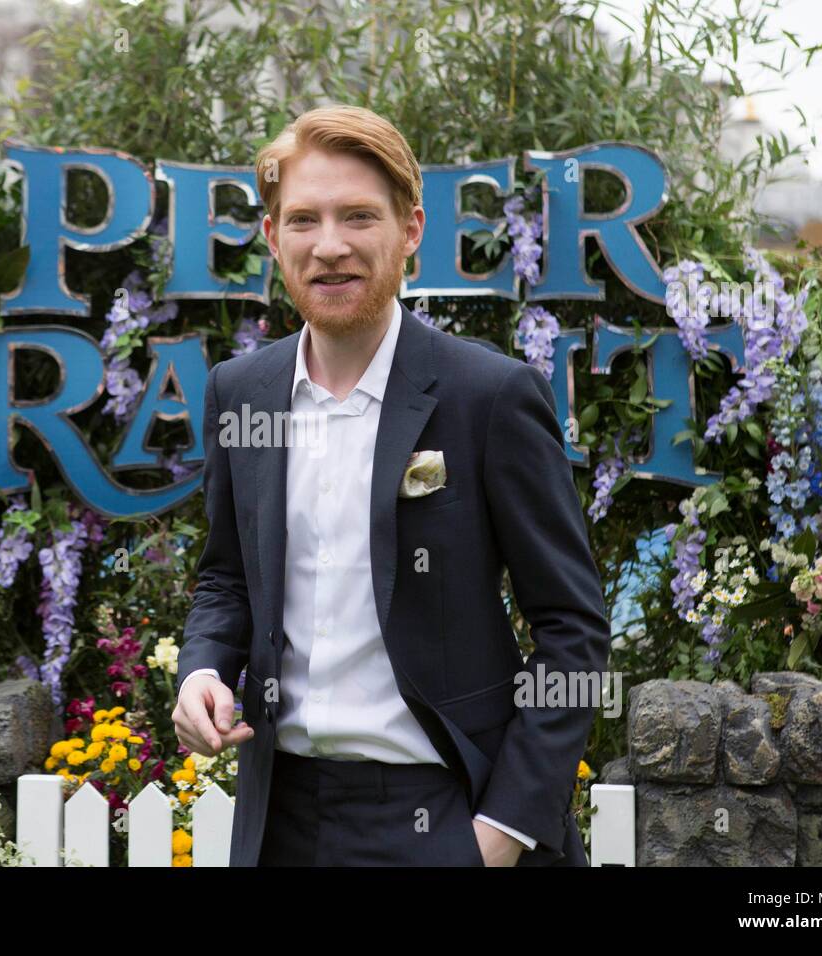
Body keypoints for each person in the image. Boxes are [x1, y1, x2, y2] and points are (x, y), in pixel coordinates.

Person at [172, 104, 611, 866]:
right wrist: (203, 669)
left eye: (359, 217)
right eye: (304, 219)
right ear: (274, 239)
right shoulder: (240, 393)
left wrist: (499, 833)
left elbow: (573, 634)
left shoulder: (488, 397)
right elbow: (227, 579)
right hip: (281, 824)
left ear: (410, 231)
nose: (331, 246)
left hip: (448, 811)